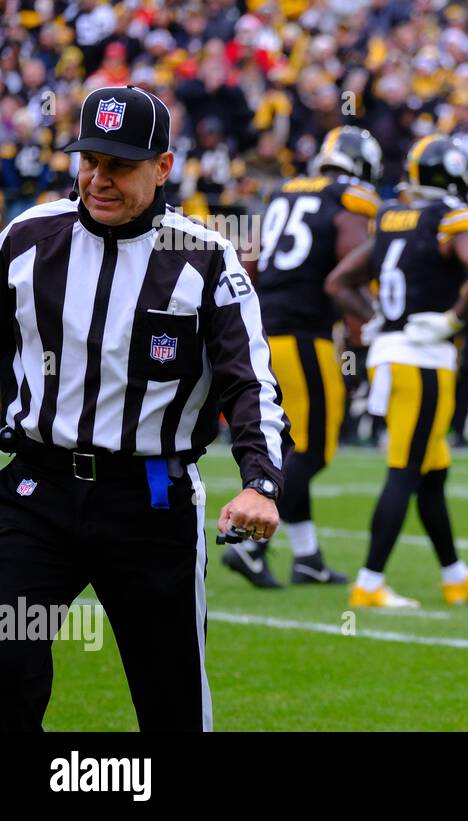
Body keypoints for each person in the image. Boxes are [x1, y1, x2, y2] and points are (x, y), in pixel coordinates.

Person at [0, 86, 287, 731]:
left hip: (149, 499)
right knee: (6, 664)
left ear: (162, 167)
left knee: (171, 695)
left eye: (120, 165)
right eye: (88, 160)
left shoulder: (205, 257)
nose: (98, 179)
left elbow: (250, 380)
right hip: (34, 488)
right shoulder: (26, 238)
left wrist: (261, 482)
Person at [325, 135, 468, 607]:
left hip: (391, 354)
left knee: (431, 474)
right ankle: (368, 583)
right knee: (404, 471)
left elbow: (338, 281)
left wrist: (378, 320)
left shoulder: (389, 215)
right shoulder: (450, 215)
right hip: (421, 361)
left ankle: (454, 575)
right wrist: (451, 321)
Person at [221, 125, 381, 588]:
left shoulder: (283, 192)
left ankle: (307, 556)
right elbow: (349, 275)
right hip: (307, 337)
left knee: (295, 442)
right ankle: (252, 544)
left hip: (267, 334)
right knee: (313, 448)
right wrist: (361, 343)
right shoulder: (350, 199)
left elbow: (247, 264)